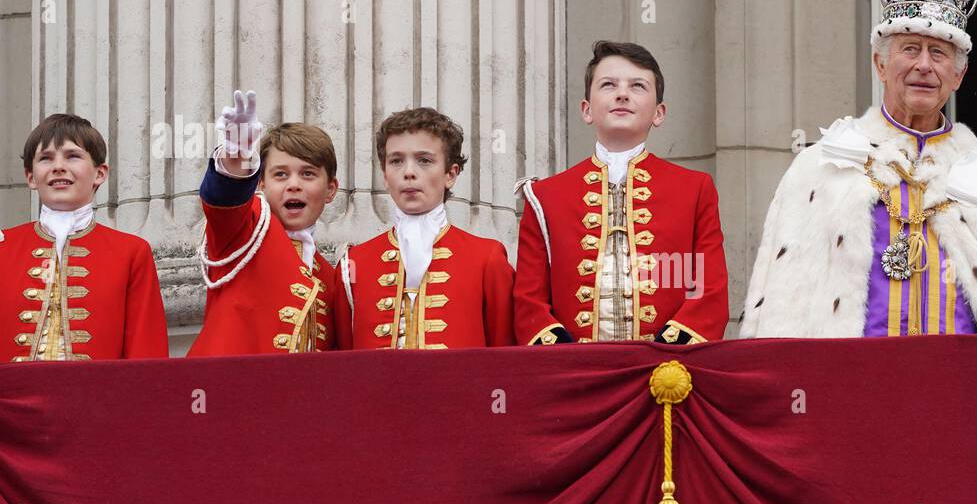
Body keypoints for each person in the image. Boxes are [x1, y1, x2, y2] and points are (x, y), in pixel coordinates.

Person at [739, 0, 977, 338]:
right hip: (856, 386)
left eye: (938, 53)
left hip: (967, 388)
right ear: (880, 64)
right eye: (909, 49)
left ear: (958, 75)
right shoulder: (821, 168)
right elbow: (782, 305)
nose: (924, 65)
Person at [514, 40, 728, 345]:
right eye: (608, 85)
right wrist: (562, 353)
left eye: (638, 86)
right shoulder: (544, 197)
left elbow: (707, 288)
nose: (622, 93)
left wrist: (669, 353)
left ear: (659, 112)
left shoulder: (694, 189)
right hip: (573, 371)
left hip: (666, 369)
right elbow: (528, 300)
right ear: (586, 110)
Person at [333, 107, 515, 349]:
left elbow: (504, 354)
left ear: (450, 174)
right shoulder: (352, 264)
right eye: (396, 161)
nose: (409, 172)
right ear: (385, 176)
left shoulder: (487, 258)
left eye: (424, 161)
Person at [1, 113, 167, 360]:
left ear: (99, 173)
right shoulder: (4, 247)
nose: (58, 166)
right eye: (45, 158)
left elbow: (146, 350)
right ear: (30, 177)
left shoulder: (131, 252)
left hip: (98, 398)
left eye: (73, 156)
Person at [189, 90, 342, 355]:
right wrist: (235, 163)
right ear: (261, 183)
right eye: (280, 174)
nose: (294, 185)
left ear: (330, 189)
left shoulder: (332, 278)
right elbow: (225, 202)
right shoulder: (245, 230)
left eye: (307, 174)